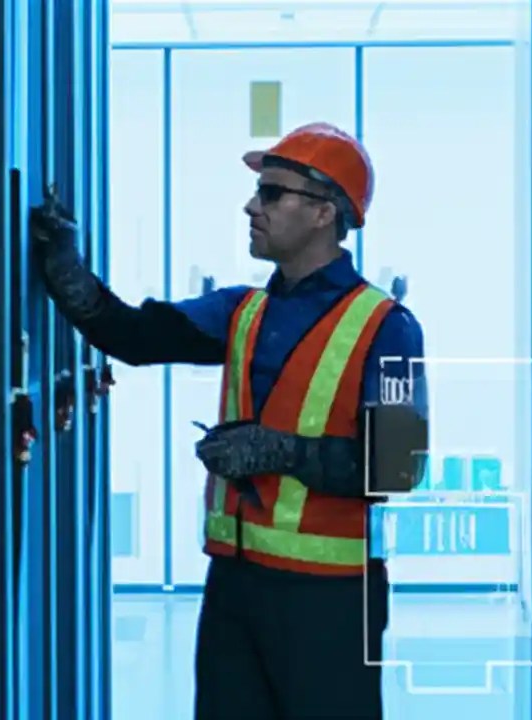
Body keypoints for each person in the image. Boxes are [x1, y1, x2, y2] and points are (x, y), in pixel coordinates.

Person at [30, 121, 429, 719]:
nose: (251, 205)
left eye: (272, 193)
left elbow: (397, 469)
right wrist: (65, 268)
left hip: (331, 598)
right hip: (234, 587)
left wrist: (282, 451)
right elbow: (132, 335)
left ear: (325, 213)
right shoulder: (241, 311)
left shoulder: (387, 327)